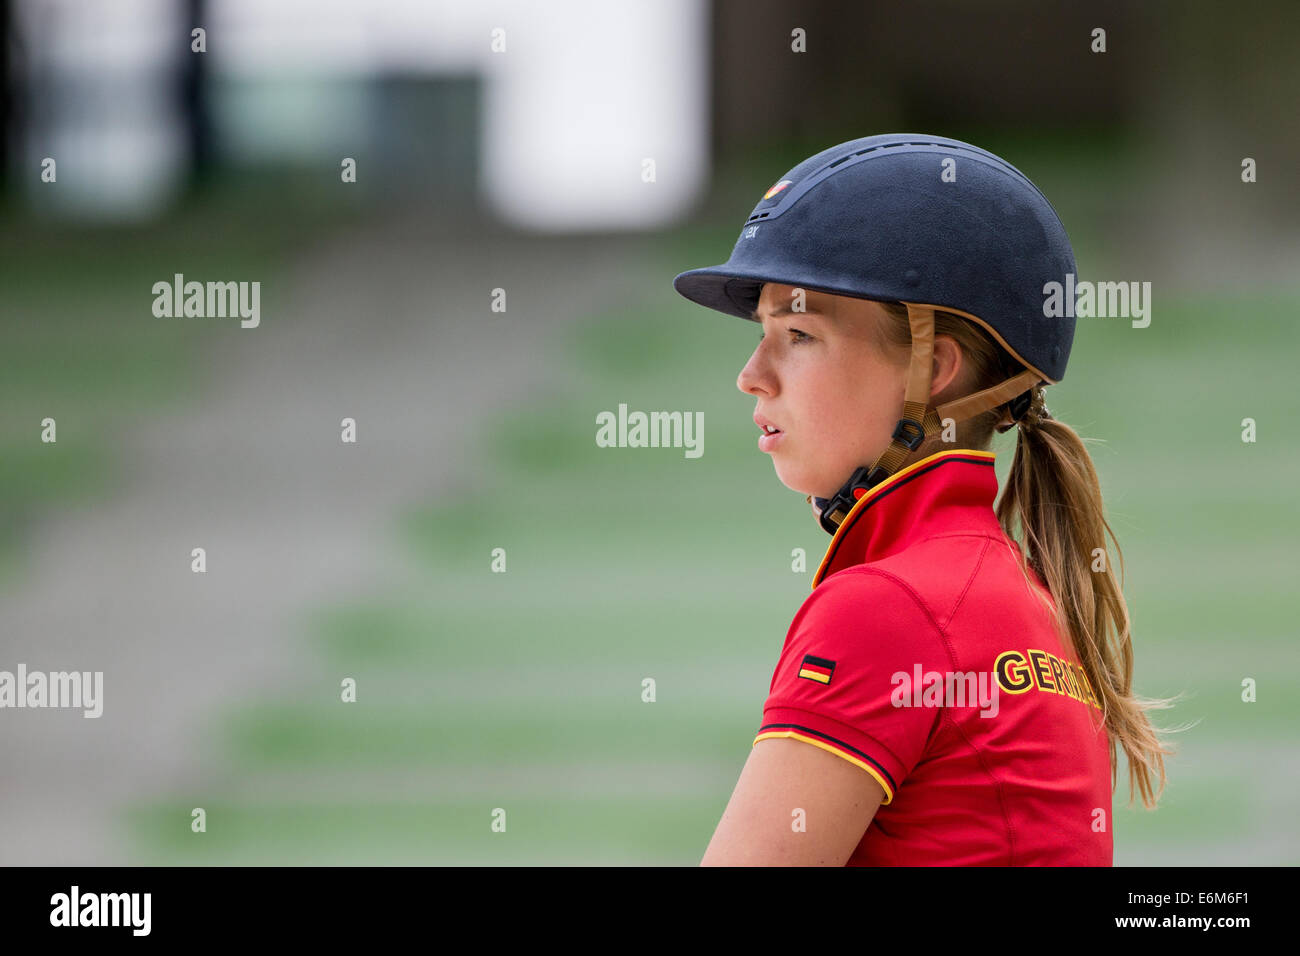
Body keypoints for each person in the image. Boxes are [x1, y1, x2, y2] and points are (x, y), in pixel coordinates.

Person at [672, 133, 1175, 866]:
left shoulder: (888, 607)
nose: (752, 375)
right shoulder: (1017, 593)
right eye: (761, 336)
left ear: (931, 368)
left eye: (799, 333)